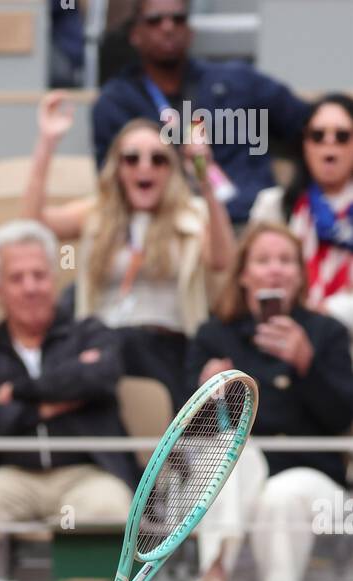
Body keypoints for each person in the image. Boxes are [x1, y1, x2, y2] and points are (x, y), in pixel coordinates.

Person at [0, 221, 138, 581]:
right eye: (17, 278)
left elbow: (99, 377)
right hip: (11, 475)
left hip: (87, 472)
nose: (30, 287)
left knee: (108, 508)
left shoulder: (90, 333)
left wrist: (18, 392)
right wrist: (45, 406)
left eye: (39, 275)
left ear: (54, 279)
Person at [26, 96, 235, 406]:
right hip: (103, 351)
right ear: (118, 168)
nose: (145, 167)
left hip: (168, 349)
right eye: (132, 158)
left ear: (171, 170)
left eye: (159, 159)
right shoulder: (96, 214)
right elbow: (32, 225)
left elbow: (222, 261)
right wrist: (47, 142)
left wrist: (205, 180)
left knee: (125, 347)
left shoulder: (193, 214)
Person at [187, 223, 353, 581]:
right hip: (241, 473)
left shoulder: (325, 333)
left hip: (312, 477)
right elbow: (183, 429)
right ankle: (214, 575)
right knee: (231, 452)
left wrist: (307, 364)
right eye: (263, 260)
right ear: (243, 275)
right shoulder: (215, 335)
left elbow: (342, 415)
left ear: (300, 274)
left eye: (285, 260)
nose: (275, 269)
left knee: (280, 498)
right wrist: (206, 395)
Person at [92, 0, 309, 225]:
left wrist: (297, 198)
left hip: (250, 227)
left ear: (190, 31)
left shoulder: (238, 80)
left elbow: (309, 125)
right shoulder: (116, 102)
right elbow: (112, 183)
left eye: (178, 19)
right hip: (170, 231)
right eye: (155, 20)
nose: (168, 27)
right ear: (135, 34)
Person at [250, 94, 353, 341]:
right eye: (317, 136)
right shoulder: (273, 205)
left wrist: (326, 313)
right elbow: (250, 279)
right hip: (284, 340)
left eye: (342, 136)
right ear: (304, 144)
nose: (329, 144)